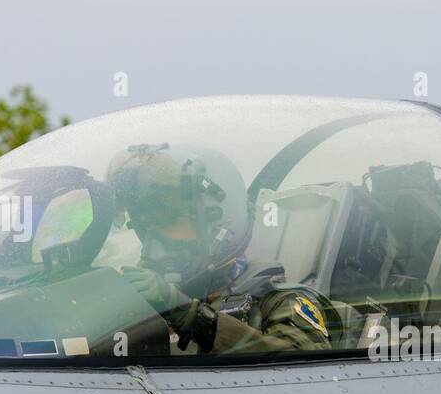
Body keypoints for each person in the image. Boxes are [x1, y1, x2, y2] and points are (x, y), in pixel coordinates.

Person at [106, 143, 332, 354]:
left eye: (167, 223)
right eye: (146, 229)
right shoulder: (146, 304)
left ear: (218, 225)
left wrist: (192, 317)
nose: (155, 242)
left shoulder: (278, 302)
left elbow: (302, 368)